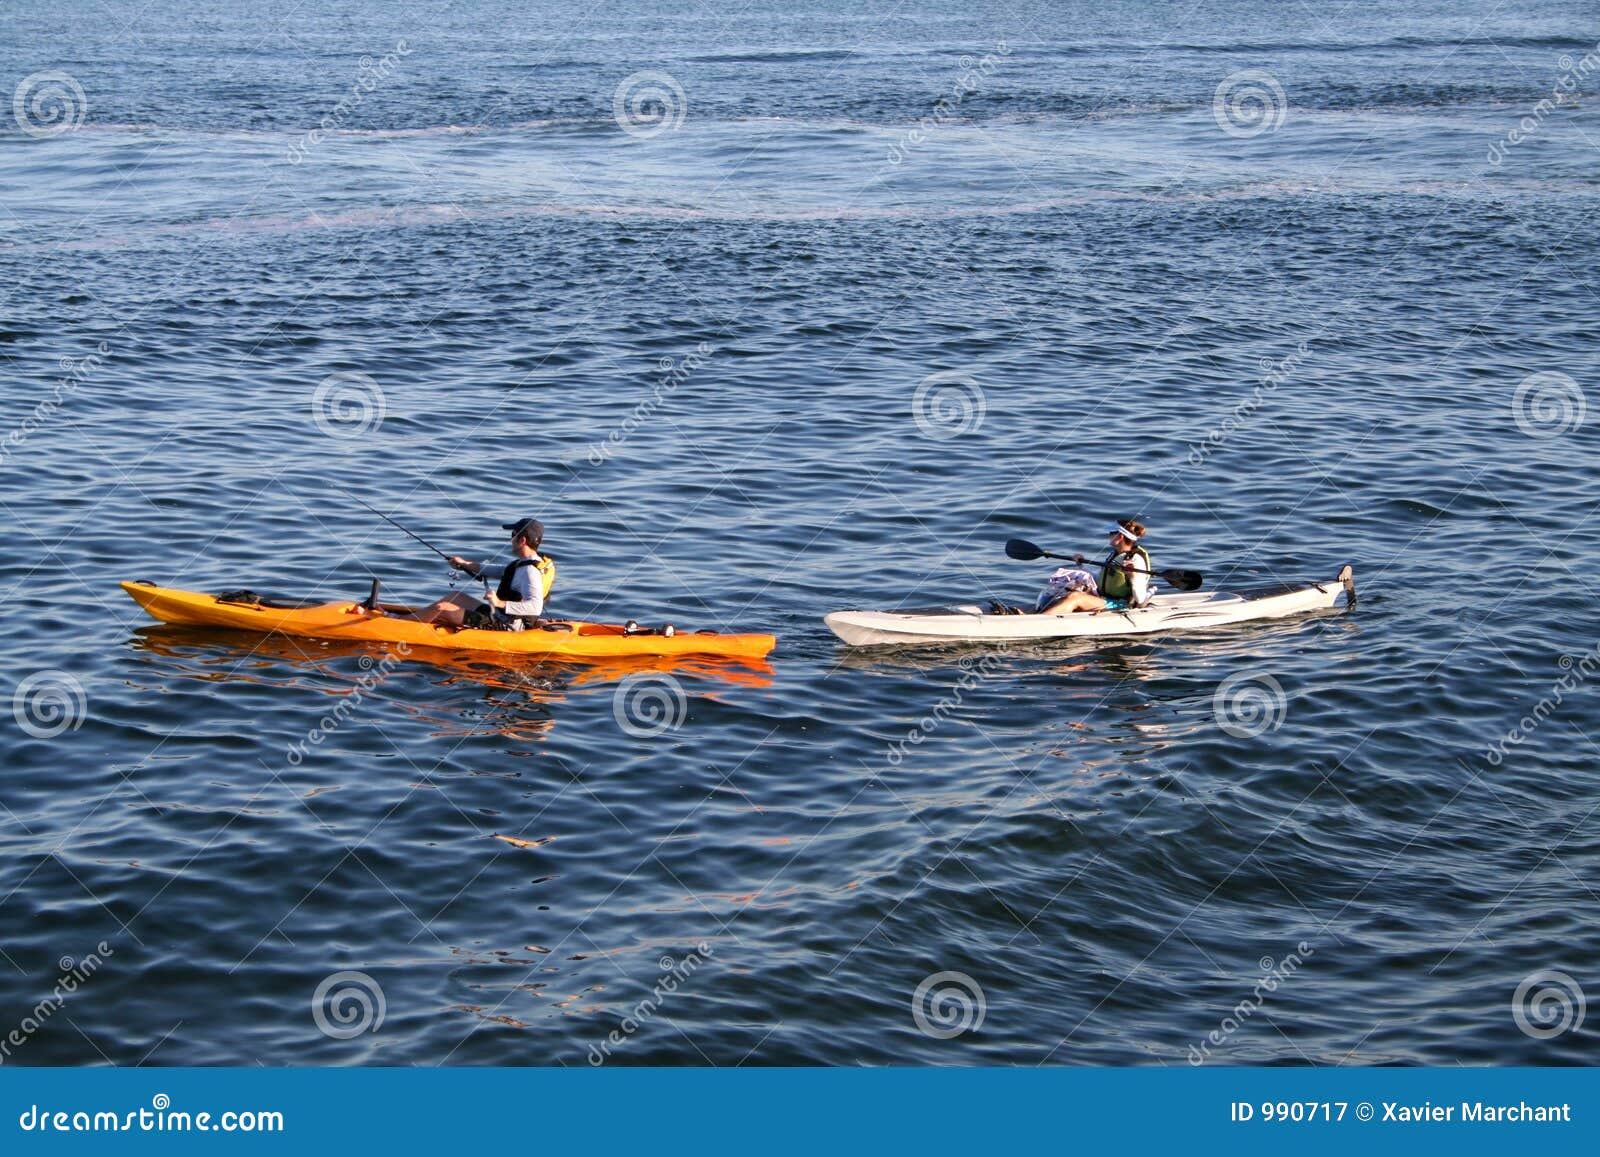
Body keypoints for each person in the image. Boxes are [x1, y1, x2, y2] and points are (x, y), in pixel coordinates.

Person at [401, 517, 555, 628]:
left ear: (522, 540)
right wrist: (465, 564)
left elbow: (535, 607)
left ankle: (399, 624)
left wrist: (499, 602)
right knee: (454, 596)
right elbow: (497, 570)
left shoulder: (530, 571)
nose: (510, 539)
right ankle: (410, 619)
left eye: (513, 535)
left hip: (506, 624)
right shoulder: (522, 563)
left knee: (442, 608)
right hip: (499, 615)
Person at [1037, 518, 1152, 614]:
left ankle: (1039, 621)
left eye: (1111, 533)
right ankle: (1031, 615)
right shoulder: (1115, 554)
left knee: (1075, 597)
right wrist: (1081, 565)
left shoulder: (1136, 560)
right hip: (1104, 598)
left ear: (1120, 536)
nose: (1109, 535)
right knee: (1063, 593)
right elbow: (1103, 581)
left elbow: (1140, 599)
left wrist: (1134, 577)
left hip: (1122, 603)